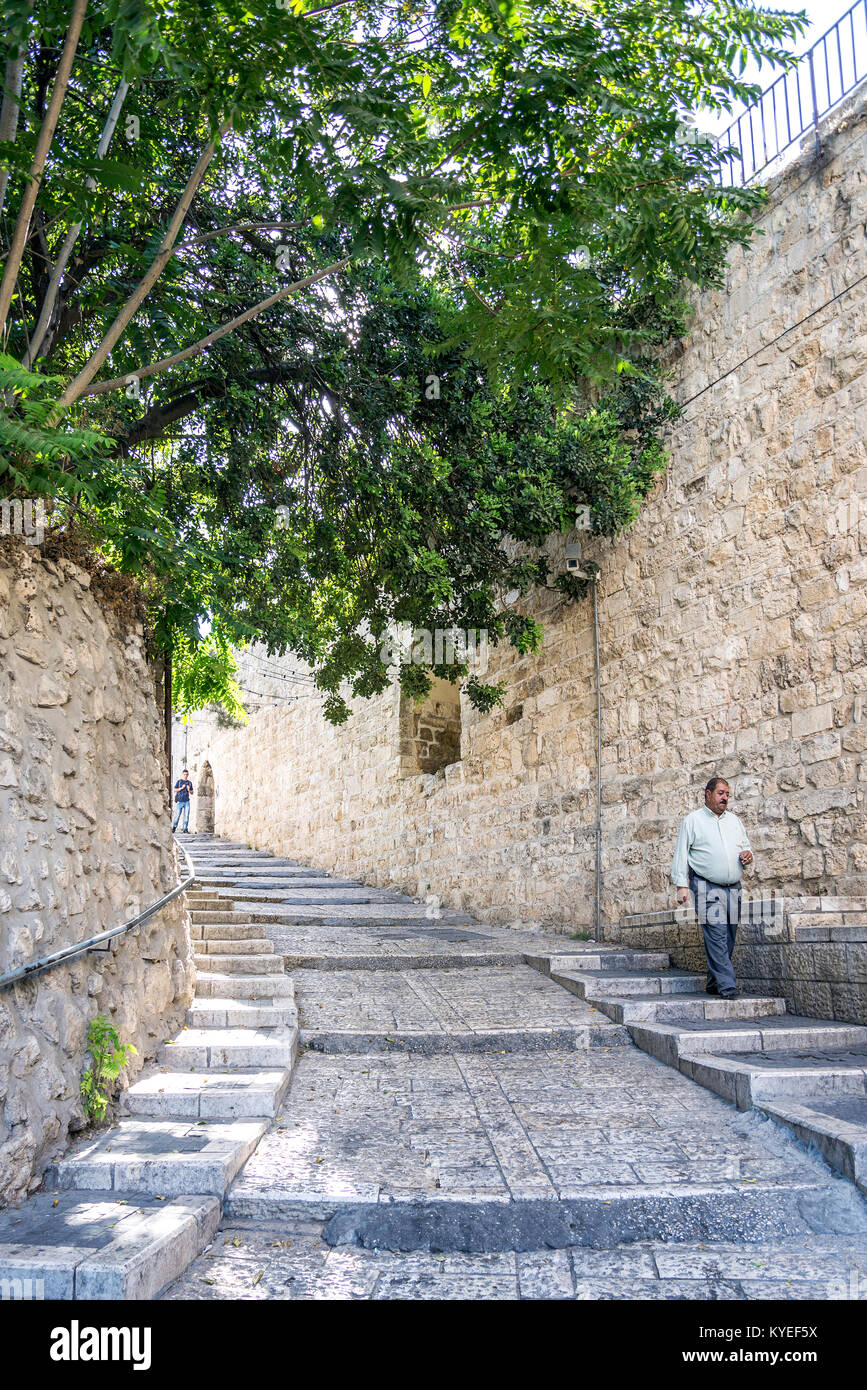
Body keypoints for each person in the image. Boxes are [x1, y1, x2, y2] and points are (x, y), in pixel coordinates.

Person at [670, 776, 753, 999]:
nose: (725, 798)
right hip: (706, 886)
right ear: (708, 794)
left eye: (727, 794)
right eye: (721, 793)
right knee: (716, 934)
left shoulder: (734, 821)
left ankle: (714, 983)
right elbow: (681, 854)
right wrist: (681, 886)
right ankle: (728, 987)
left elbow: (746, 848)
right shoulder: (692, 820)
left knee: (728, 936)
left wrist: (748, 855)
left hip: (733, 887)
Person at [172, 769, 194, 833]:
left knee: (186, 815)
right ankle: (174, 827)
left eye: (186, 774)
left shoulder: (189, 783)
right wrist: (181, 788)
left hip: (187, 801)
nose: (185, 776)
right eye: (184, 774)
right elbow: (174, 790)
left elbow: (192, 792)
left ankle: (185, 829)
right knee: (177, 815)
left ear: (188, 775)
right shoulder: (179, 782)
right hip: (180, 801)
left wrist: (188, 789)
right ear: (182, 774)